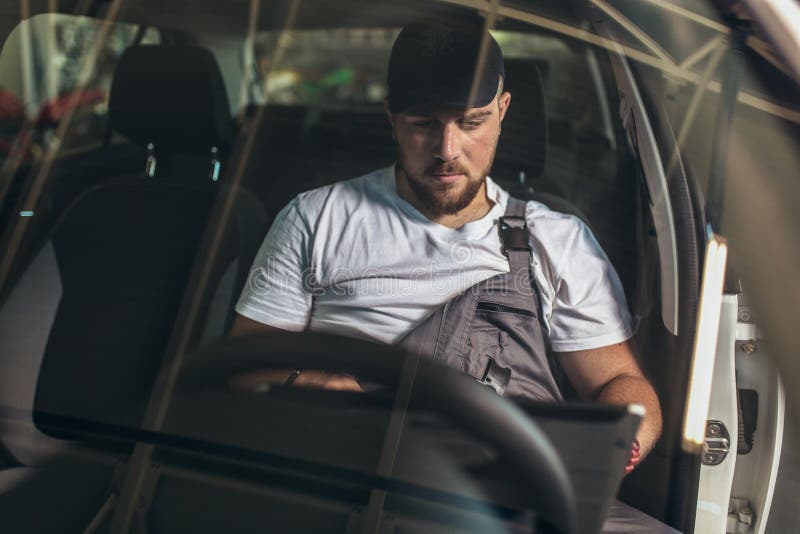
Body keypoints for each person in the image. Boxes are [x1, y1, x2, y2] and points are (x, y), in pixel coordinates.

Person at [231, 21, 670, 530]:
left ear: (503, 111)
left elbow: (621, 382)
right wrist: (309, 382)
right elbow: (242, 365)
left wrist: (622, 442)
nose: (446, 149)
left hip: (515, 502)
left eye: (470, 122)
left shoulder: (559, 241)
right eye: (422, 123)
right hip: (351, 486)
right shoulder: (317, 218)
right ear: (391, 116)